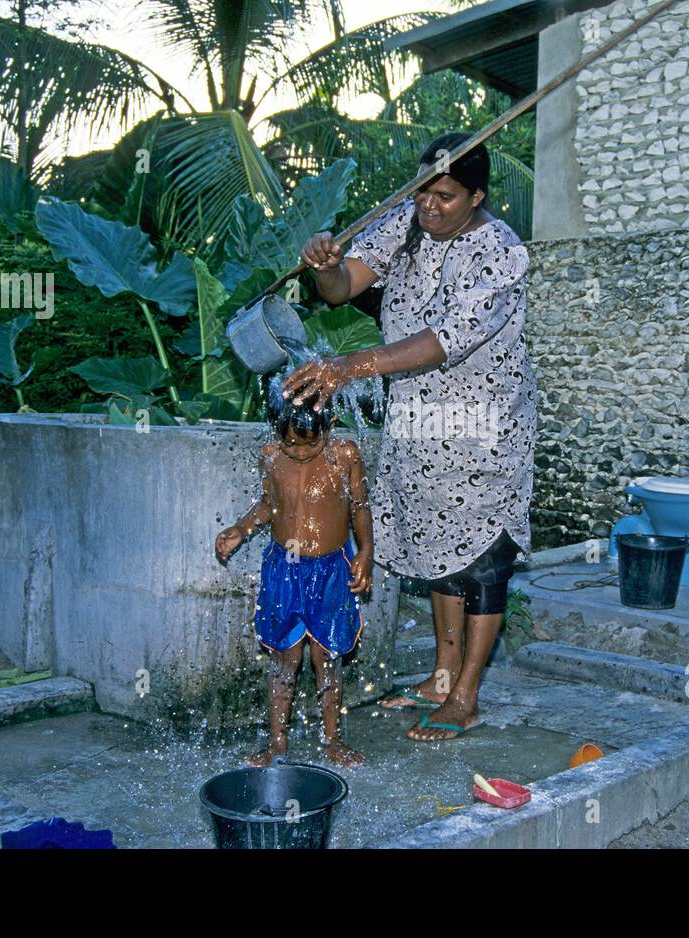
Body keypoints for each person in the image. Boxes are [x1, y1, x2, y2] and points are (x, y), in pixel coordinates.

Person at [281, 131, 536, 742]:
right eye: (423, 192)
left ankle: (467, 694)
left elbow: (444, 341)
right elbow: (345, 287)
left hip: (483, 425)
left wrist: (349, 367)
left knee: (481, 560)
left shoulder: (503, 255)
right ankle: (441, 676)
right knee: (435, 548)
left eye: (446, 196)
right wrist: (328, 266)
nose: (430, 205)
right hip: (419, 420)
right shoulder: (407, 224)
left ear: (477, 196)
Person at [214, 379, 373, 767]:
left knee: (327, 657)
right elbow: (269, 505)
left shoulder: (344, 455)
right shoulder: (271, 455)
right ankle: (277, 742)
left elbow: (359, 508)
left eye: (309, 443)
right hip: (284, 571)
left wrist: (366, 551)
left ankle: (333, 739)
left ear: (329, 424)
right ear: (276, 431)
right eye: (291, 443)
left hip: (330, 571)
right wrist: (240, 528)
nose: (300, 452)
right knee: (285, 660)